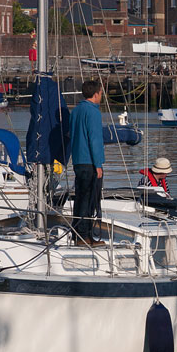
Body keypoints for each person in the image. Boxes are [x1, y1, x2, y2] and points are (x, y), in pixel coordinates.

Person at [69, 79, 105, 245]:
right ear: (96, 94)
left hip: (77, 160)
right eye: (101, 93)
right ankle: (84, 236)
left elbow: (71, 134)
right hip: (89, 161)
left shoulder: (76, 111)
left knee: (80, 198)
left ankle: (77, 234)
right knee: (89, 200)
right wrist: (98, 164)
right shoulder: (93, 112)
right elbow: (95, 140)